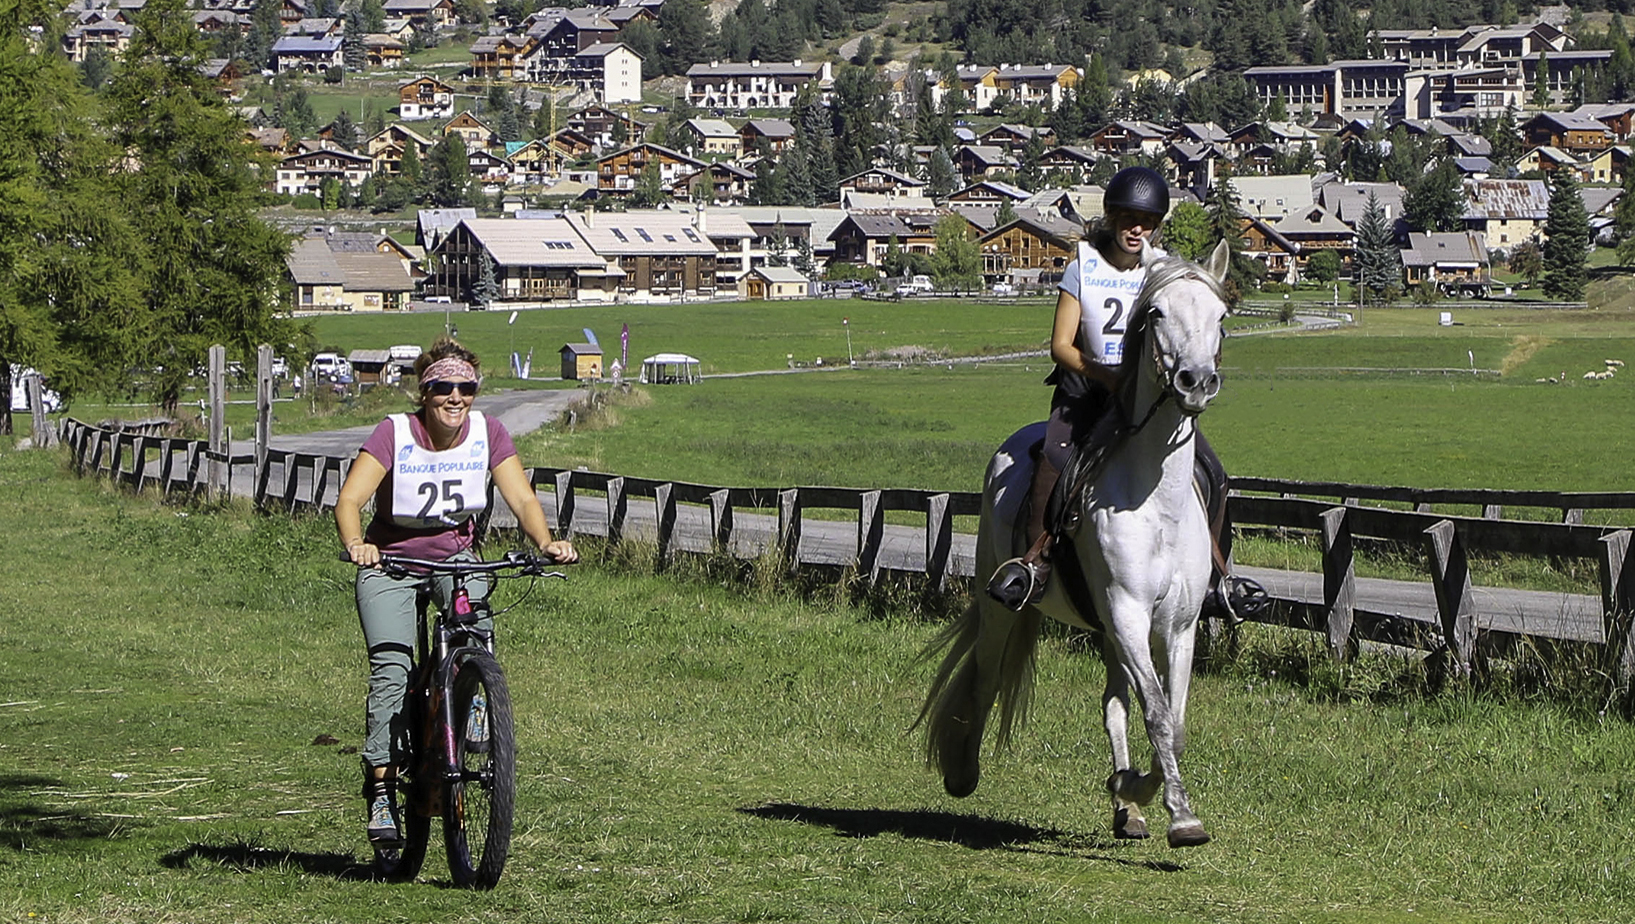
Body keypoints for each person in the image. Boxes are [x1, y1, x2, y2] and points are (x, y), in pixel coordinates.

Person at [334, 336, 578, 846]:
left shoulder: (488, 432)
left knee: (474, 625)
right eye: (443, 386)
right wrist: (358, 544)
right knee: (393, 667)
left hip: (453, 558)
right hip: (391, 561)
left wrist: (546, 540)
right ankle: (381, 787)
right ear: (424, 392)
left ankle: (476, 704)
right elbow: (349, 500)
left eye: (466, 387)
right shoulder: (393, 433)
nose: (455, 397)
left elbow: (521, 497)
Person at [986, 166, 1256, 618]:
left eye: (1147, 222)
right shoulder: (1083, 267)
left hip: (1148, 401)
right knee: (1054, 460)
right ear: (1112, 217)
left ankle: (1216, 578)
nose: (1138, 229)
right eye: (1129, 218)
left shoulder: (1162, 269)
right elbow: (1060, 345)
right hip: (1085, 395)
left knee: (1211, 468)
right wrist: (1108, 377)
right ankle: (1034, 564)